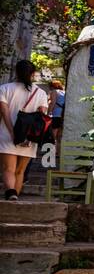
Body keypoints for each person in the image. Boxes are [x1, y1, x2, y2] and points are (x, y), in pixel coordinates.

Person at [0, 60, 50, 200]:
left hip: (6, 135)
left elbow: (4, 113)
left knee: (8, 169)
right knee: (20, 171)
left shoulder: (4, 89)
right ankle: (15, 197)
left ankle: (11, 194)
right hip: (30, 137)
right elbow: (41, 117)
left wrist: (12, 133)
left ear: (16, 72)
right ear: (33, 74)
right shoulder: (40, 93)